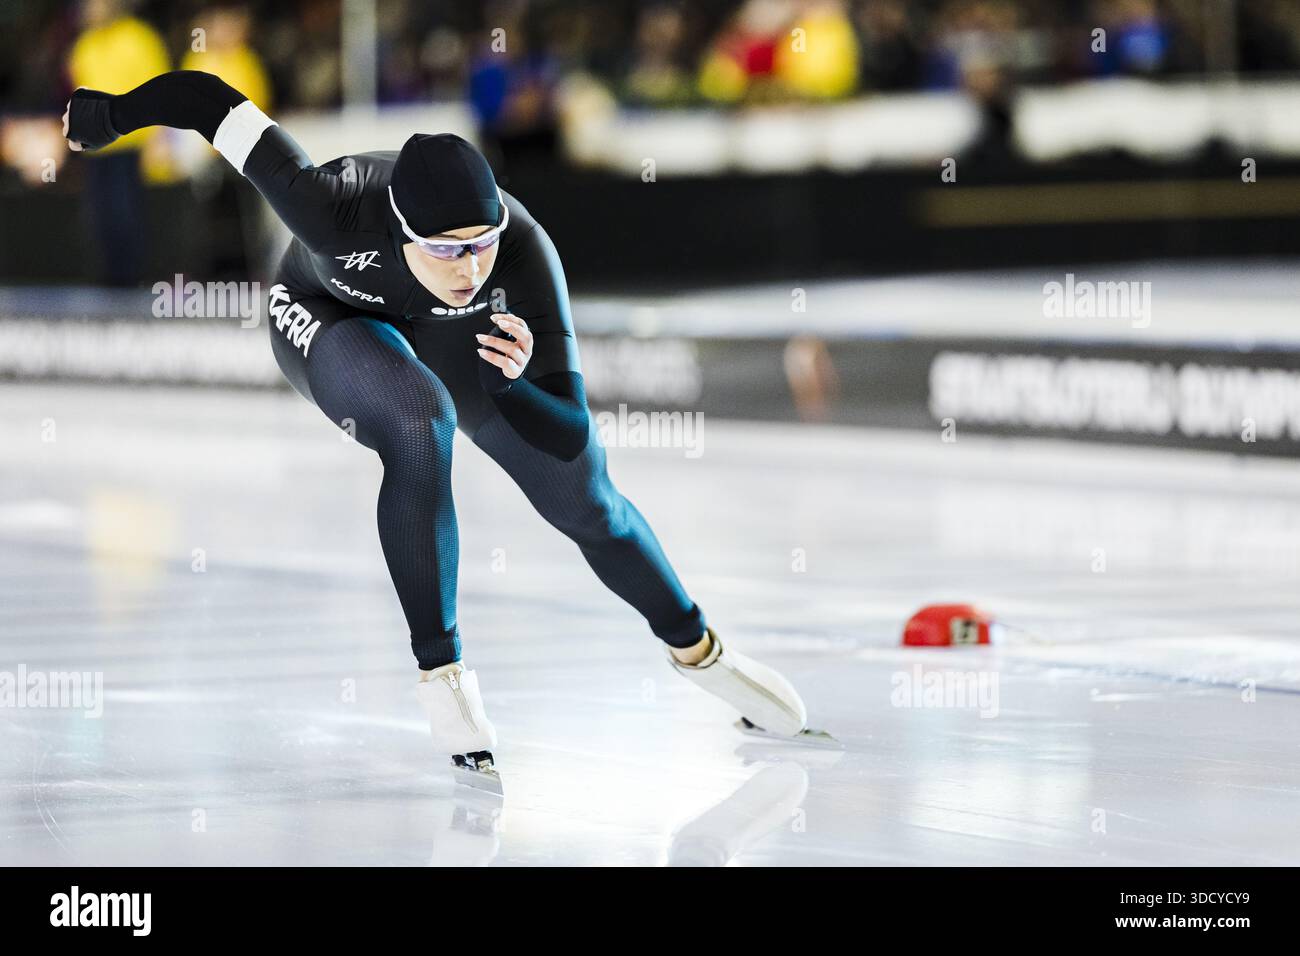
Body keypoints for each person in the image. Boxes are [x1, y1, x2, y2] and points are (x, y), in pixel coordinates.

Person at [62, 71, 812, 781]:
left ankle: (700, 650)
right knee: (423, 423)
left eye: (480, 242)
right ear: (400, 232)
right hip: (329, 313)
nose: (469, 269)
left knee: (588, 501)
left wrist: (517, 389)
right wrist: (108, 116)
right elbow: (209, 101)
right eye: (447, 250)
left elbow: (568, 435)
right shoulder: (328, 202)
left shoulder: (520, 255)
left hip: (454, 337)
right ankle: (441, 672)